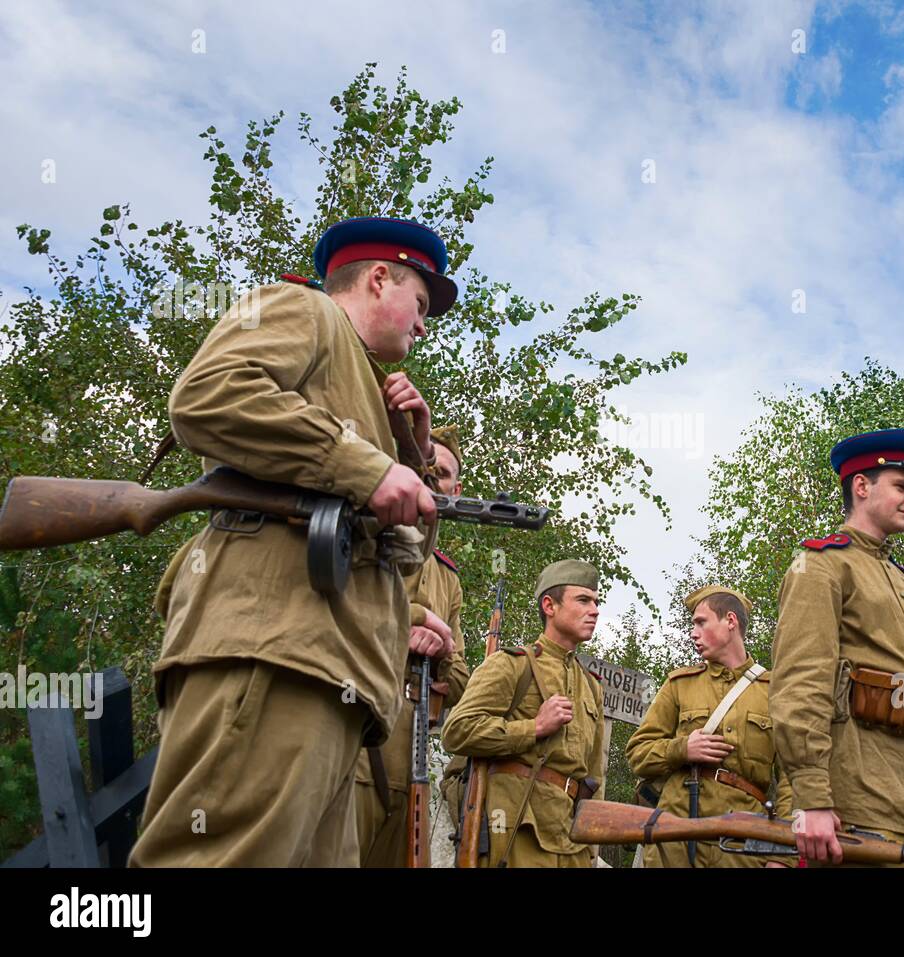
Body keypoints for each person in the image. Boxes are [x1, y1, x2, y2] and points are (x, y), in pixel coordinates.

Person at [131, 216, 456, 866]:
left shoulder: (372, 391)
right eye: (420, 305)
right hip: (274, 650)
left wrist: (412, 456)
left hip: (338, 677)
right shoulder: (303, 310)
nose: (424, 325)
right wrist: (367, 467)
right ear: (379, 277)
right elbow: (206, 396)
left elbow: (405, 559)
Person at [771, 428, 904, 865]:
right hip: (860, 799)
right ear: (862, 486)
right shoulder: (818, 564)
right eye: (903, 487)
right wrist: (812, 796)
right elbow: (801, 683)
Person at [354, 425, 472, 866]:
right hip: (353, 740)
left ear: (454, 489)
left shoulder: (448, 578)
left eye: (440, 473)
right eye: (420, 468)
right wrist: (409, 628)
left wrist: (441, 652)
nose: (429, 478)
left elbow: (460, 681)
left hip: (413, 757)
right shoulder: (364, 538)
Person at [441, 560, 605, 867]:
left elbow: (594, 776)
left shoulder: (592, 687)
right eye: (583, 600)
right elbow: (458, 730)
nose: (594, 610)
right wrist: (534, 728)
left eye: (596, 602)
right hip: (518, 826)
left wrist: (591, 843)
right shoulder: (512, 664)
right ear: (549, 605)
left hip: (571, 838)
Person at [626, 585, 793, 868]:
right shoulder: (680, 685)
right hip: (675, 839)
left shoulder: (775, 691)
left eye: (701, 622)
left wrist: (782, 856)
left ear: (730, 621)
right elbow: (637, 755)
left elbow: (793, 779)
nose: (693, 632)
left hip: (741, 845)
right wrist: (682, 748)